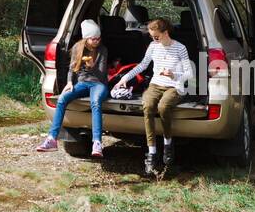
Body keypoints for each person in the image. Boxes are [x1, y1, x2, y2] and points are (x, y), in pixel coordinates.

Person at [111, 17, 194, 176]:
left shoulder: (180, 48)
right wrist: (124, 78)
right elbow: (143, 65)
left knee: (163, 107)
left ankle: (168, 143)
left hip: (174, 86)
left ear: (165, 32)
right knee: (148, 106)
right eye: (151, 36)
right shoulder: (153, 46)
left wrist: (174, 74)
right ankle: (151, 152)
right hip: (155, 84)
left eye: (156, 36)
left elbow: (189, 73)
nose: (154, 39)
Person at [35, 18, 109, 158]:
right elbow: (71, 69)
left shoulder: (102, 50)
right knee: (62, 99)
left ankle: (97, 142)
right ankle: (51, 139)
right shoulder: (77, 48)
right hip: (81, 83)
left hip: (99, 83)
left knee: (95, 102)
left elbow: (102, 74)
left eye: (98, 38)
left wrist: (92, 65)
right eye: (93, 39)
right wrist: (69, 83)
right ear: (86, 38)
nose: (97, 41)